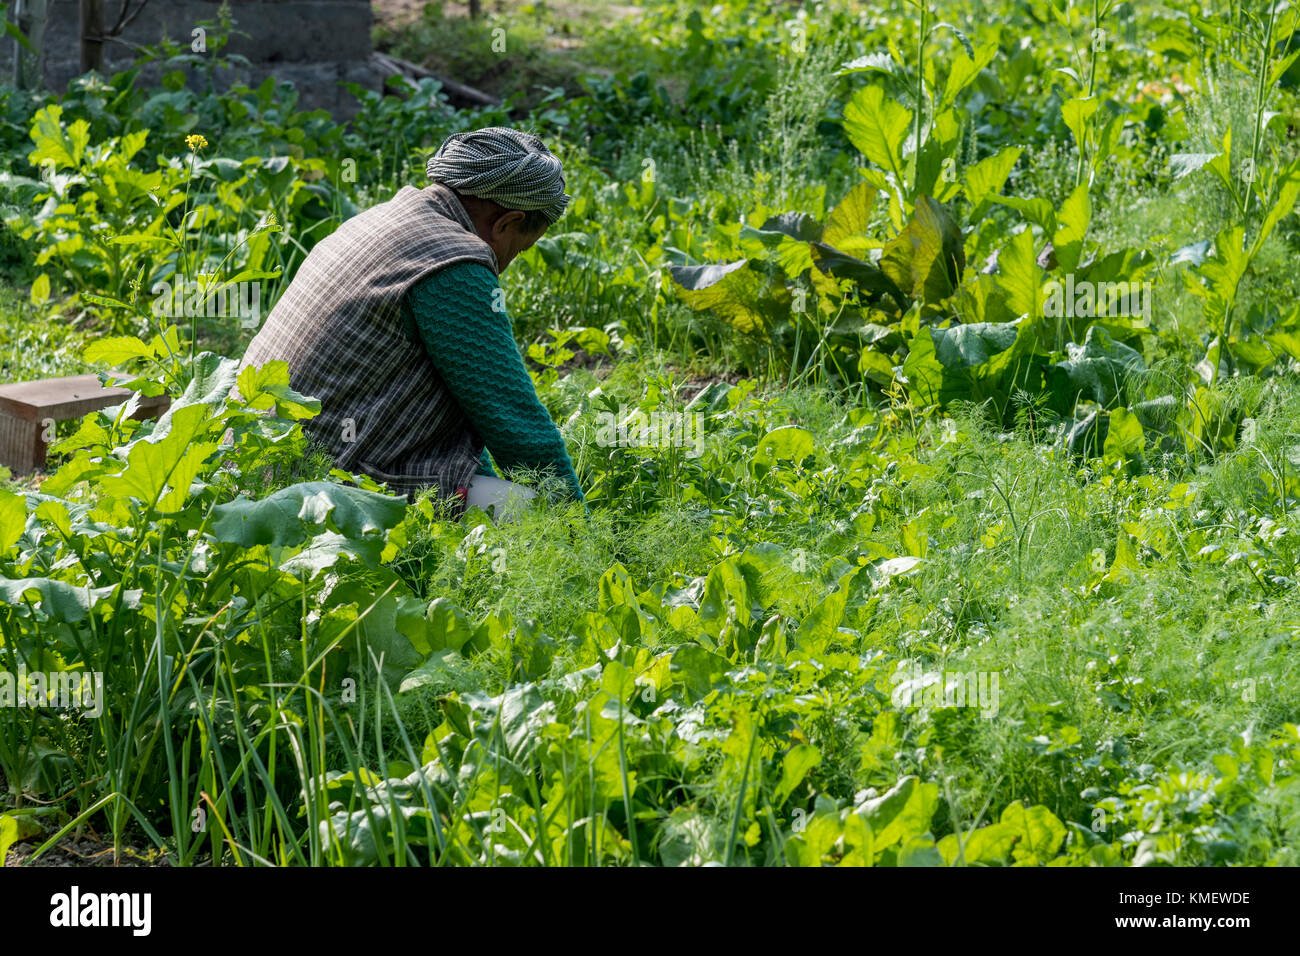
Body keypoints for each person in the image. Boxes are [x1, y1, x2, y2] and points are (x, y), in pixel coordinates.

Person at [238, 127, 584, 520]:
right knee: (534, 516)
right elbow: (515, 425)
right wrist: (580, 538)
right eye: (519, 250)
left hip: (248, 470)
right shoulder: (453, 262)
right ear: (507, 222)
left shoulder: (378, 219)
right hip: (315, 497)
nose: (507, 264)